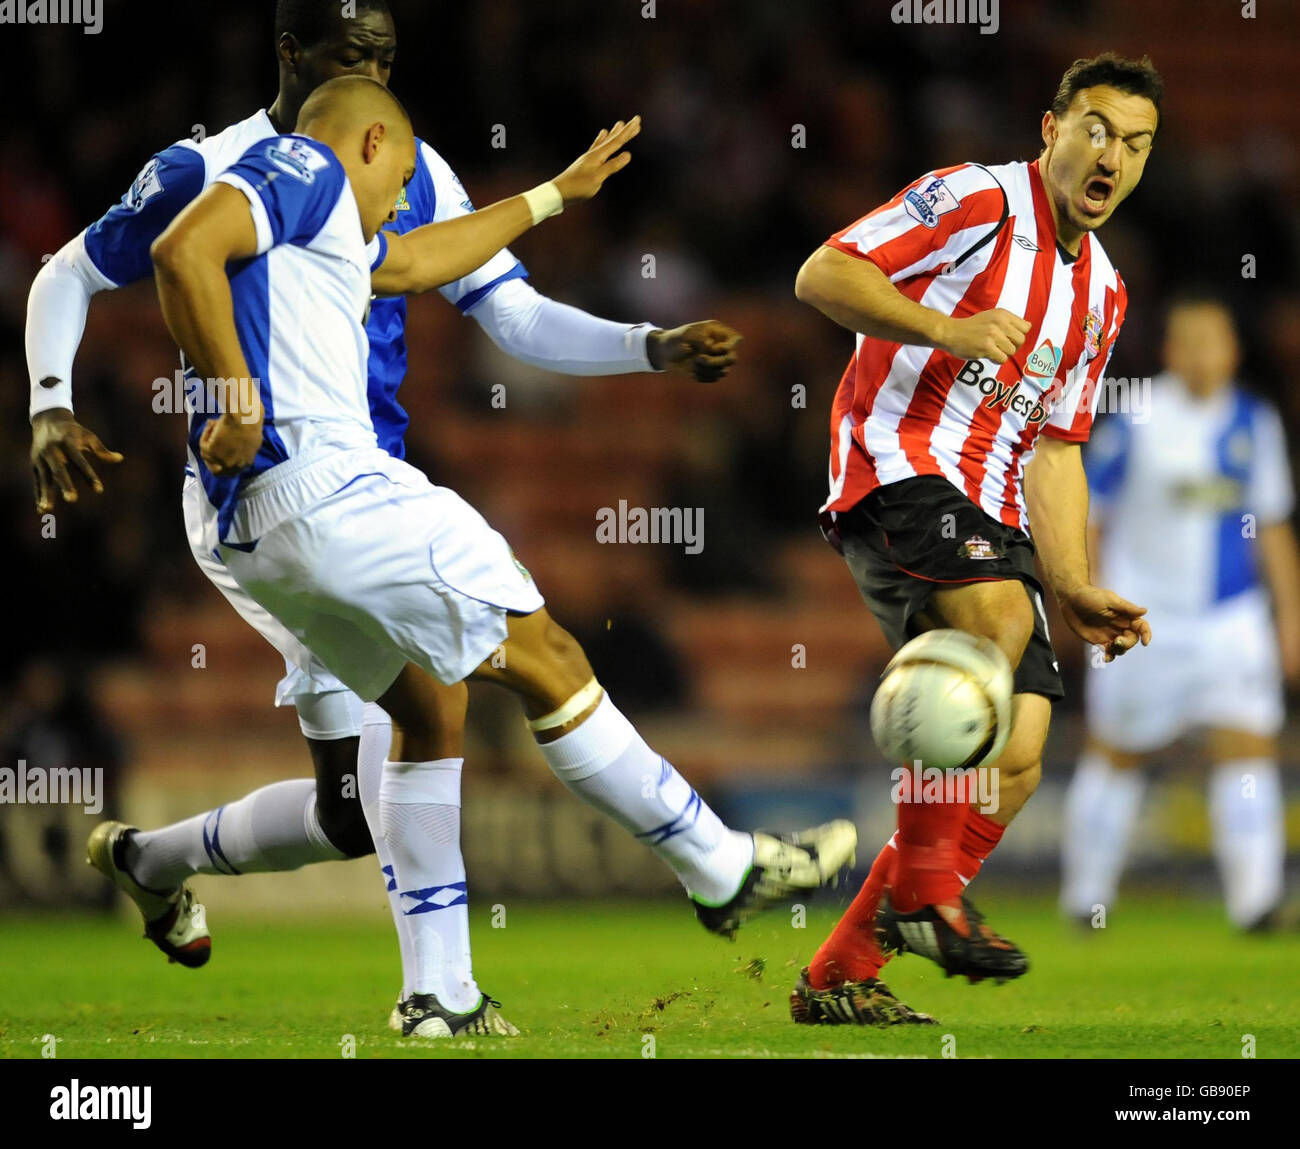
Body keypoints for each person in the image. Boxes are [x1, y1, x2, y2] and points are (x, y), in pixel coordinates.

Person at [68, 75, 856, 1039]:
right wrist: (234, 395)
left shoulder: (338, 228)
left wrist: (558, 211)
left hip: (255, 529)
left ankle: (431, 989)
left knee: (404, 733)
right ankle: (720, 866)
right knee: (550, 658)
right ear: (363, 143)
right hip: (330, 486)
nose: (405, 192)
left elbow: (420, 262)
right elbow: (176, 249)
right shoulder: (298, 169)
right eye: (399, 170)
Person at [789, 52, 1162, 1026]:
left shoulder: (1104, 295)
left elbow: (1058, 446)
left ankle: (840, 971)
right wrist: (944, 331)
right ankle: (921, 896)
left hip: (991, 504)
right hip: (895, 461)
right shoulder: (971, 200)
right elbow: (821, 274)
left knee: (1023, 748)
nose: (1110, 155)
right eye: (1094, 129)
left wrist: (1074, 582)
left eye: (1134, 143)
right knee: (990, 627)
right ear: (1050, 130)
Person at [1062, 294, 1297, 932]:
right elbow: (1092, 516)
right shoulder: (1134, 419)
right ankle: (1085, 900)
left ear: (1232, 351)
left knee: (1246, 749)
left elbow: (1272, 526)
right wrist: (1089, 596)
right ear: (1169, 351)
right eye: (1188, 341)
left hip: (1231, 619)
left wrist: (1290, 620)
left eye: (1213, 341)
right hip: (1145, 621)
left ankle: (1256, 903)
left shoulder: (1254, 421)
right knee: (1118, 753)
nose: (1201, 355)